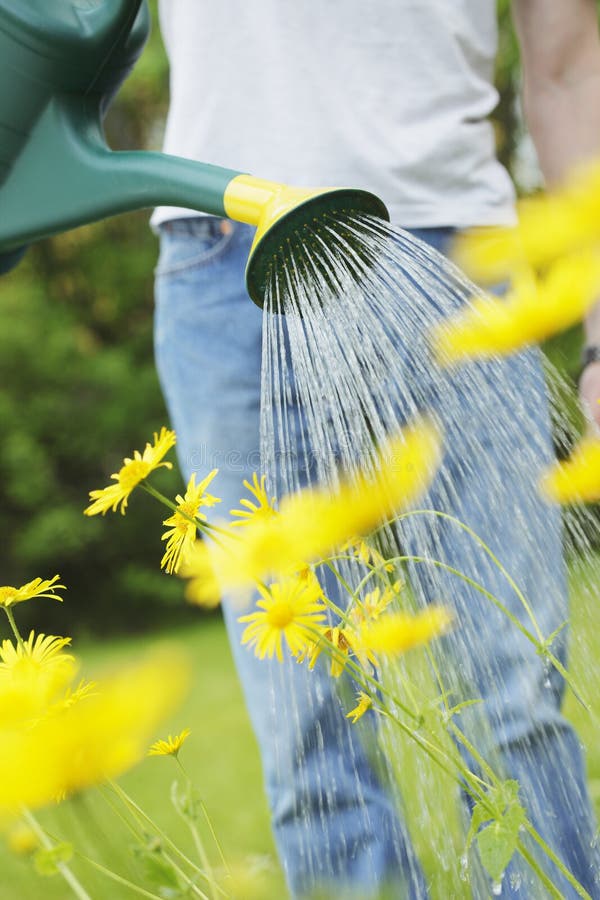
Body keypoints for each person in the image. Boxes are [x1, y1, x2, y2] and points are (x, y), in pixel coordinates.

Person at [151, 2, 600, 896]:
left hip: (453, 251)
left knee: (511, 701)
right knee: (306, 740)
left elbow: (572, 66)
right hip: (219, 257)